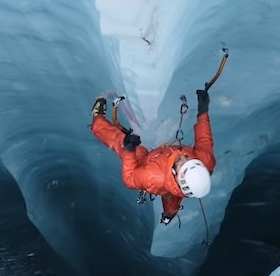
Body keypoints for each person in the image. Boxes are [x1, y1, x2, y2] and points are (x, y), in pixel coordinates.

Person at [90, 87, 216, 225]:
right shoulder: (205, 162)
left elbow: (130, 179)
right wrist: (203, 112)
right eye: (190, 159)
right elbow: (204, 140)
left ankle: (97, 123)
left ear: (176, 175)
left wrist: (129, 150)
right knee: (172, 199)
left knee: (121, 144)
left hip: (150, 162)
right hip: (168, 173)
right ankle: (169, 214)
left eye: (182, 163)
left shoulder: (152, 176)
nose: (185, 156)